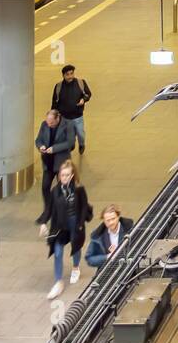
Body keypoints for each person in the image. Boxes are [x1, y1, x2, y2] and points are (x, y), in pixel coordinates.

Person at [38, 159, 91, 300]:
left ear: (72, 175)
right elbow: (48, 209)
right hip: (60, 225)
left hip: (74, 222)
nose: (65, 178)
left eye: (67, 175)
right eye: (62, 175)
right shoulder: (55, 191)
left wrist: (80, 224)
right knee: (58, 251)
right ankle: (58, 281)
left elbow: (84, 206)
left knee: (76, 247)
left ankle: (75, 267)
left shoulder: (79, 189)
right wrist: (43, 223)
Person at [34, 109, 76, 223]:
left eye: (51, 122)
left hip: (61, 162)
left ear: (58, 118)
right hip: (48, 161)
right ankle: (47, 210)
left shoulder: (68, 125)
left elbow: (70, 143)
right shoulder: (45, 125)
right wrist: (41, 146)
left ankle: (63, 213)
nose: (49, 125)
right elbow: (38, 140)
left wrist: (54, 148)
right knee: (45, 187)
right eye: (48, 122)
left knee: (63, 189)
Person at [51, 64, 92, 155]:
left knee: (80, 134)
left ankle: (81, 144)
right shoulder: (58, 87)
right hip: (65, 117)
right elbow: (54, 102)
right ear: (63, 75)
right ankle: (71, 144)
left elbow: (88, 94)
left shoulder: (81, 83)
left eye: (71, 73)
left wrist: (83, 100)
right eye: (67, 74)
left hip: (78, 116)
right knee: (69, 135)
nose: (70, 76)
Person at [85, 205, 134, 270]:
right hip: (106, 272)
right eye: (108, 220)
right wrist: (108, 257)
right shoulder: (98, 235)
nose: (111, 222)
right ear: (104, 221)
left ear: (118, 217)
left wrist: (119, 253)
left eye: (113, 219)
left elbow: (138, 249)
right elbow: (89, 259)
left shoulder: (130, 229)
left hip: (127, 271)